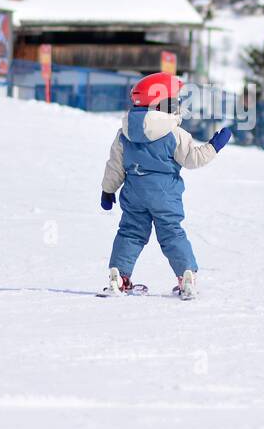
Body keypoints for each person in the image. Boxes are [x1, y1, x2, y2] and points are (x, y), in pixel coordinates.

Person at [99, 72, 232, 300]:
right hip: (165, 196)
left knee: (130, 233)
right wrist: (214, 146)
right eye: (174, 101)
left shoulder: (125, 133)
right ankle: (186, 276)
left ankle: (118, 277)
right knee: (172, 234)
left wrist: (108, 189)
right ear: (163, 104)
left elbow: (115, 166)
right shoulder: (175, 134)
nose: (178, 106)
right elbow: (193, 159)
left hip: (134, 195)